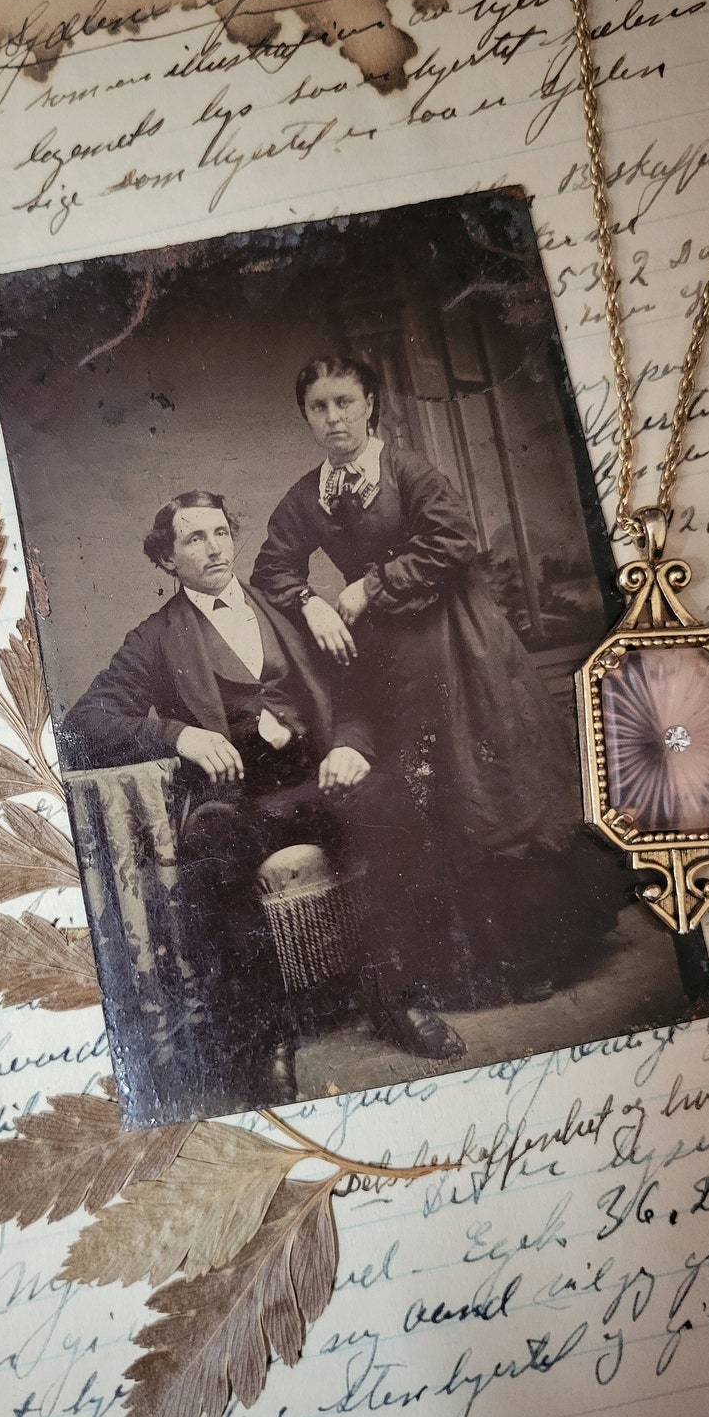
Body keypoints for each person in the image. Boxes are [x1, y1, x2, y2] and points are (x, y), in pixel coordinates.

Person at [61, 490, 466, 1107]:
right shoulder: (154, 639)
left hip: (317, 777)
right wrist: (178, 735)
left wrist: (349, 745)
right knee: (213, 853)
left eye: (221, 532)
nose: (213, 548)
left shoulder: (286, 606)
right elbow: (84, 725)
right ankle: (267, 1040)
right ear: (167, 559)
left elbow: (352, 693)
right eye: (194, 538)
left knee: (390, 807)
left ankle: (398, 1002)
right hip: (237, 797)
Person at [251, 357, 622, 1003]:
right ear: (306, 416)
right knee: (439, 796)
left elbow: (454, 541)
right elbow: (272, 568)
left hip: (461, 648)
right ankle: (475, 964)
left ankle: (540, 953)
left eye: (345, 402)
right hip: (391, 666)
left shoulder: (406, 470)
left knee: (489, 787)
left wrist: (370, 587)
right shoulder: (311, 495)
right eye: (319, 407)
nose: (334, 418)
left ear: (370, 403)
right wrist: (311, 602)